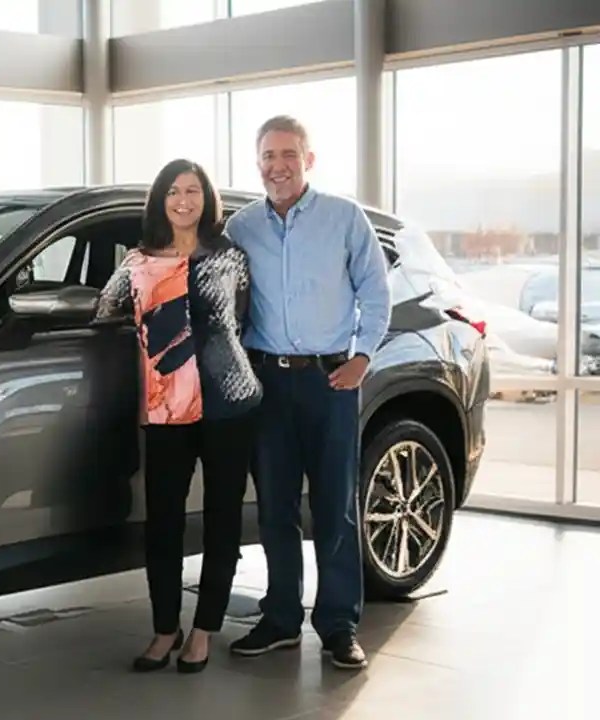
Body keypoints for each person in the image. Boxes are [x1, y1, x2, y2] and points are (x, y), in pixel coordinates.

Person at [224, 115, 390, 670]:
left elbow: (375, 289)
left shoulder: (345, 218)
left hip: (331, 380)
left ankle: (339, 626)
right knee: (275, 507)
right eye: (268, 155)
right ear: (258, 162)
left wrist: (363, 356)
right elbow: (215, 285)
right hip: (268, 382)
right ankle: (280, 620)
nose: (278, 166)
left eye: (288, 154)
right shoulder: (241, 227)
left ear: (309, 159)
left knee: (335, 508)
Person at [96, 158, 262, 675]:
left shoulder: (230, 256)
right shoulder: (139, 262)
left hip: (229, 400)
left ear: (206, 199)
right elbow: (104, 311)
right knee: (162, 523)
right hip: (167, 405)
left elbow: (245, 317)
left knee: (222, 519)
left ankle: (204, 629)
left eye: (193, 190)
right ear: (160, 200)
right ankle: (165, 628)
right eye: (173, 191)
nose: (183, 200)